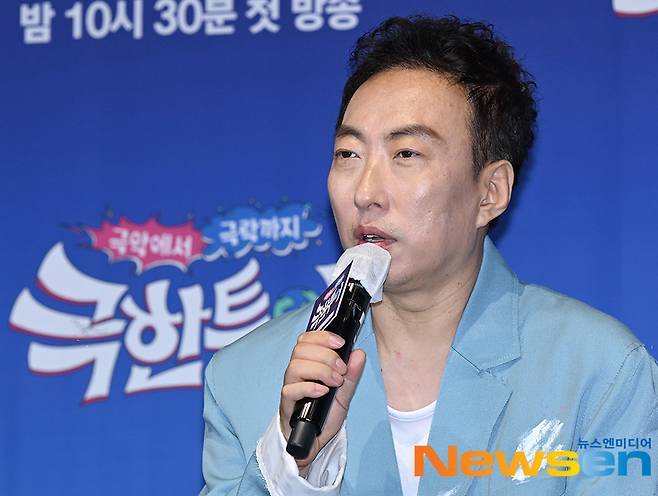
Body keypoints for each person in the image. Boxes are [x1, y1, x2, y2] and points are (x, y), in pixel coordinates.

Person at [199, 16, 658, 496]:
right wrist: (293, 469)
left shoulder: (600, 371)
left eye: (406, 154)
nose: (366, 193)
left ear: (490, 192)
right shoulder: (242, 377)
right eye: (349, 154)